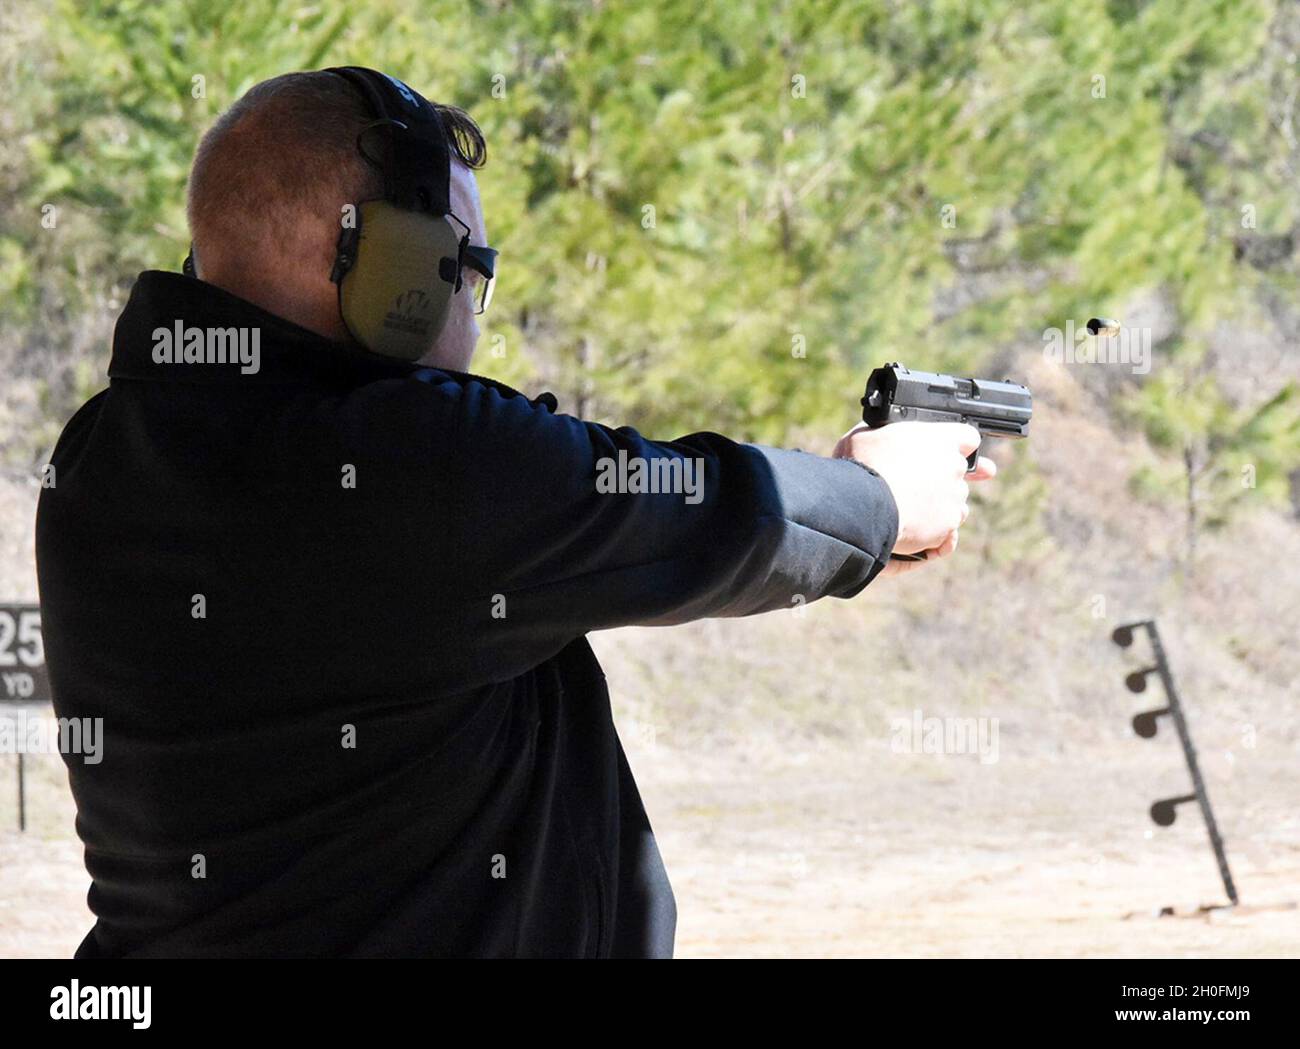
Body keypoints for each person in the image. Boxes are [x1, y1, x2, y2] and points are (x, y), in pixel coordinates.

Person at [35, 68, 994, 958]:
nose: (472, 301)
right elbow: (697, 512)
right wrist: (880, 499)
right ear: (393, 268)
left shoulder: (103, 455)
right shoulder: (401, 458)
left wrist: (853, 510)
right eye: (465, 264)